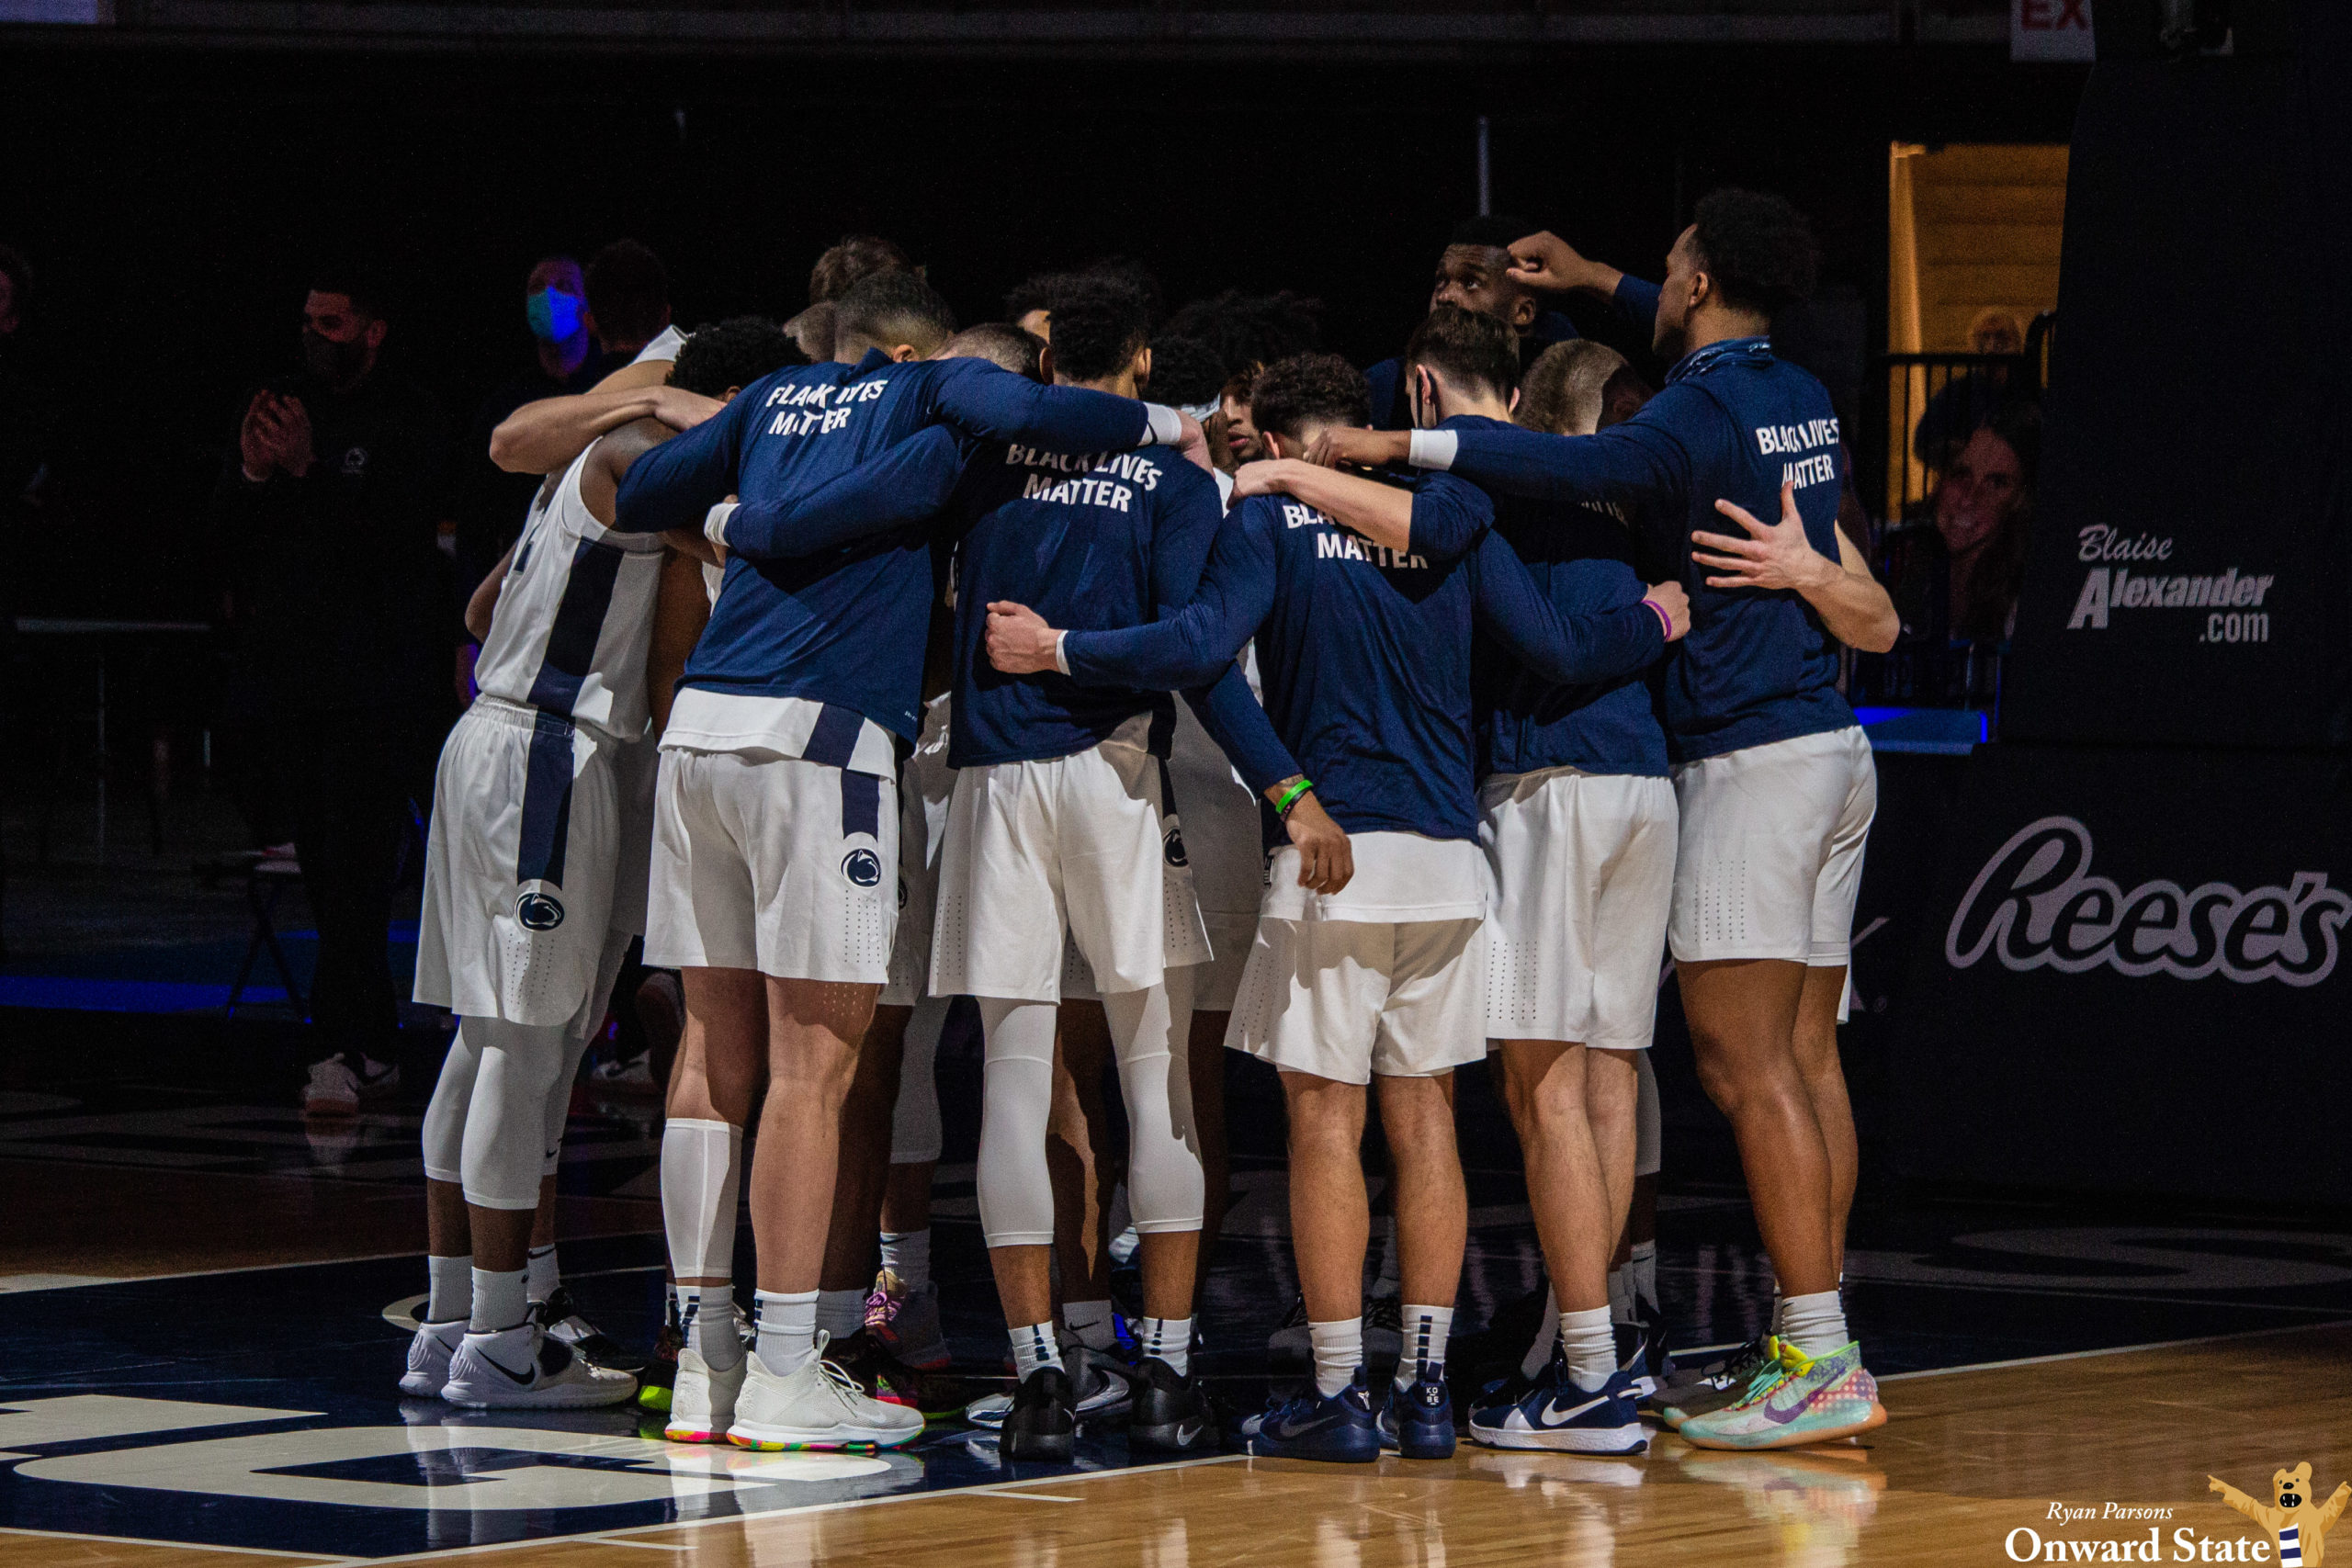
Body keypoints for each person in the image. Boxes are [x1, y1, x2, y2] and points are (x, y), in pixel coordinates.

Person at [985, 351, 1686, 1463]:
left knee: (1324, 1126)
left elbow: (1205, 660)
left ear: (1268, 440)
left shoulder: (1262, 523)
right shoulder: (1450, 517)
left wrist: (1287, 794)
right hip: (1453, 858)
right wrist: (1655, 620)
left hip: (1334, 859)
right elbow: (1550, 644)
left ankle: (1337, 1392)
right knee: (1427, 1125)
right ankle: (1421, 1386)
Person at [673, 276, 1297, 1459]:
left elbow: (879, 558)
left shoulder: (980, 470)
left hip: (991, 787)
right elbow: (1203, 653)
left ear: (1044, 370)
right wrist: (1286, 788)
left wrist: (731, 520)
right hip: (1116, 780)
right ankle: (1162, 1376)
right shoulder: (1174, 478)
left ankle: (1039, 1378)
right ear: (1145, 365)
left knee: (1015, 1084)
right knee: (1154, 1075)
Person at [1332, 189, 1900, 1450]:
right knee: (1805, 1060)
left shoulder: (1687, 414)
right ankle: (1815, 1333)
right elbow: (1665, 370)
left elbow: (1584, 462)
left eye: (1670, 261)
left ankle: (1817, 1350)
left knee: (1742, 1069)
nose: (1660, 276)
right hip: (1828, 746)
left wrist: (1401, 449)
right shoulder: (1793, 391)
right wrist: (1595, 278)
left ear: (1698, 282)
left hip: (1747, 759)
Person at [402, 318, 798, 1408]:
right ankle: (501, 1339)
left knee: (487, 1048)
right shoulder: (630, 455)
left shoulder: (588, 465)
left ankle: (449, 1324)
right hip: (546, 751)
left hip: (506, 741)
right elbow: (743, 538)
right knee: (524, 1052)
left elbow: (484, 609)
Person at [214, 271, 456, 1118]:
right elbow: (233, 539)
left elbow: (397, 549)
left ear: (373, 330)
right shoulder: (277, 403)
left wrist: (309, 470)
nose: (317, 335)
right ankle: (376, 1042)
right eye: (307, 320)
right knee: (325, 870)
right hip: (292, 679)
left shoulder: (410, 415)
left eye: (334, 321)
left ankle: (333, 1045)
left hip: (378, 681)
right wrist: (253, 470)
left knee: (357, 870)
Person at [451, 256, 619, 615]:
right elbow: (475, 527)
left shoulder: (616, 390)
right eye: (536, 288)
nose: (547, 296)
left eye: (563, 287)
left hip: (600, 589)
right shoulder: (504, 407)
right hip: (522, 591)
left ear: (589, 308)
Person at [1363, 216, 1581, 431]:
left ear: (1522, 312)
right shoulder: (1388, 383)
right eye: (1441, 280)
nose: (1445, 296)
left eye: (1470, 283)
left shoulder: (1568, 385)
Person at [1883, 402, 2037, 705]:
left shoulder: (2024, 604)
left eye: (1996, 483)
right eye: (1960, 474)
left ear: (2020, 500)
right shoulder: (1906, 570)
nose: (1970, 498)